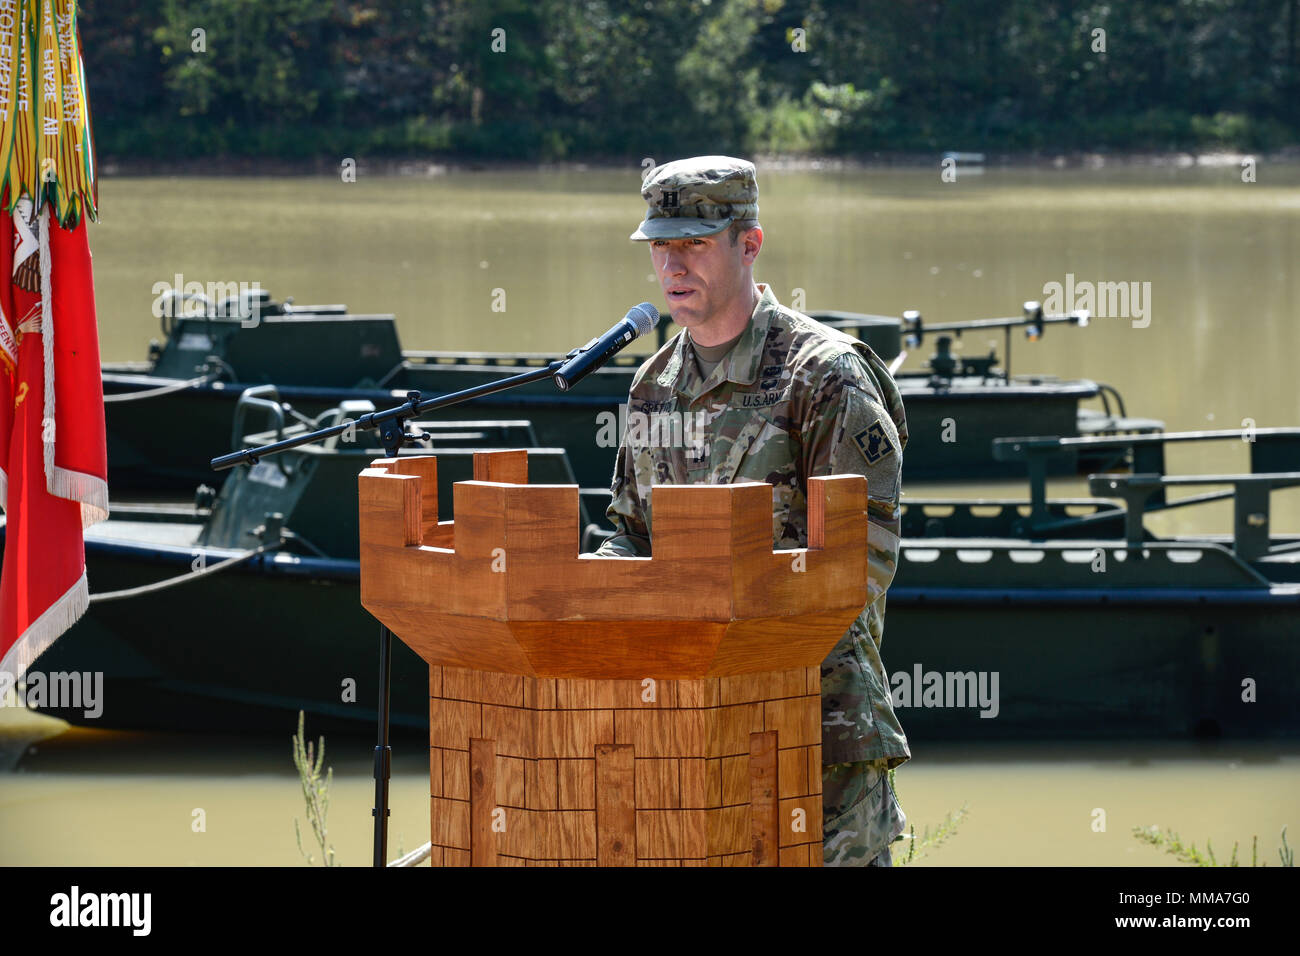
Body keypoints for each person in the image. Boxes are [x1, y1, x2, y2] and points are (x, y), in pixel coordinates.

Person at [593, 155, 911, 866]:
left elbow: (864, 561)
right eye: (660, 246)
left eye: (694, 244)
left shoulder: (823, 375)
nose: (673, 265)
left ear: (749, 244)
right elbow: (629, 536)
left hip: (818, 732)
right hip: (688, 736)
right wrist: (586, 593)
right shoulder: (653, 387)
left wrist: (741, 637)